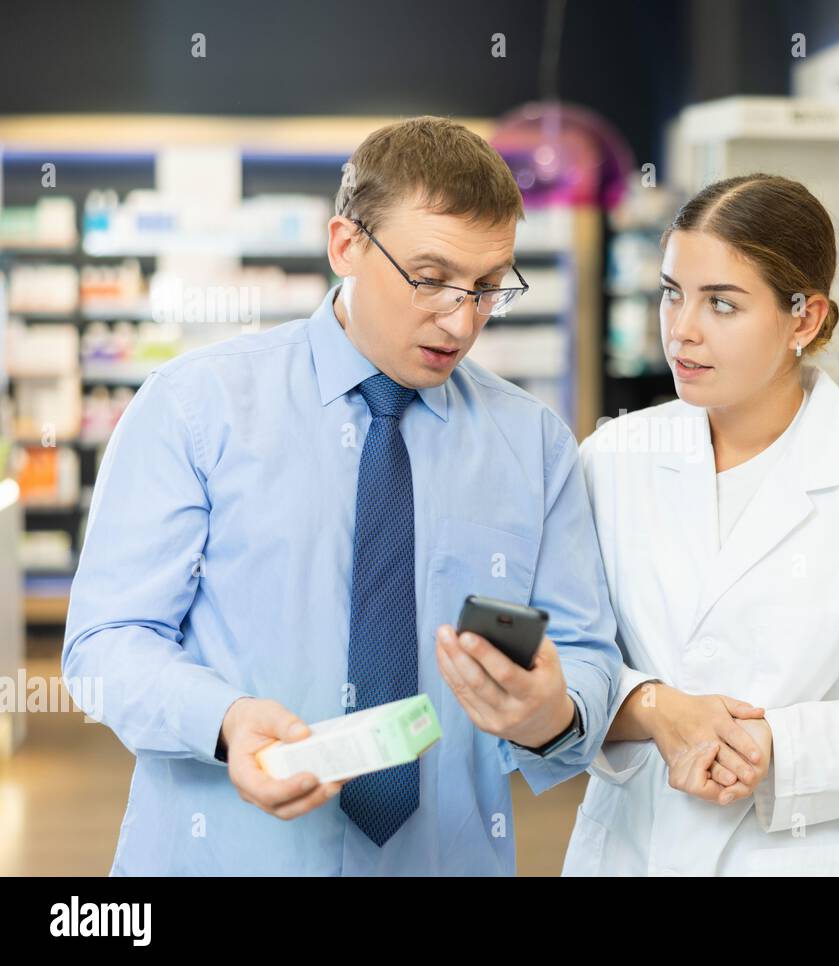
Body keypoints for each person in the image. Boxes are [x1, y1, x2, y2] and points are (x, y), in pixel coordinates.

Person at [63, 116, 620, 875]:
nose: (462, 321)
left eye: (489, 287)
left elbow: (586, 654)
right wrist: (223, 721)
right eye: (430, 277)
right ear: (345, 245)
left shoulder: (535, 445)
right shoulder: (196, 406)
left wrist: (553, 713)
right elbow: (106, 643)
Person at [562, 173, 839, 876]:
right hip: (629, 847)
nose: (683, 329)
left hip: (797, 851)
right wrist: (649, 707)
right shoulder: (611, 457)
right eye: (673, 292)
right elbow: (568, 654)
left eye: (722, 304)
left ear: (803, 319)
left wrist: (779, 749)